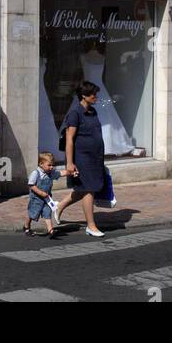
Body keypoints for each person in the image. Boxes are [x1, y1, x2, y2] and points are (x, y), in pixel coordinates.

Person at [54, 81, 106, 237]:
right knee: (88, 189)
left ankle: (59, 207)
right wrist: (69, 163)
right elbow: (70, 139)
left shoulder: (93, 112)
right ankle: (91, 225)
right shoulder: (75, 113)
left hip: (94, 157)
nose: (95, 97)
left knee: (83, 188)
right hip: (82, 157)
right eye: (93, 94)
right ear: (84, 96)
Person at [24, 152, 61, 237]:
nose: (52, 167)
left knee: (47, 213)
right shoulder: (35, 173)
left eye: (53, 165)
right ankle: (26, 226)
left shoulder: (50, 174)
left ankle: (51, 230)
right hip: (36, 198)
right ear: (41, 164)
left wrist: (70, 172)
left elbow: (60, 173)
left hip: (47, 199)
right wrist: (40, 193)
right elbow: (31, 185)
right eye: (49, 165)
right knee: (33, 213)